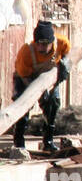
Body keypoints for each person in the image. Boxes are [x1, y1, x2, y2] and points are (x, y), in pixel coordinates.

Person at [12, 20, 70, 153]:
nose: (41, 47)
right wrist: (36, 91)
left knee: (53, 104)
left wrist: (65, 63)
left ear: (52, 42)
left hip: (48, 77)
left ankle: (48, 141)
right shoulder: (26, 52)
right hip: (25, 78)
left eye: (45, 44)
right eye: (38, 44)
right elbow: (24, 75)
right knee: (23, 106)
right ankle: (18, 143)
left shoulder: (61, 42)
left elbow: (67, 52)